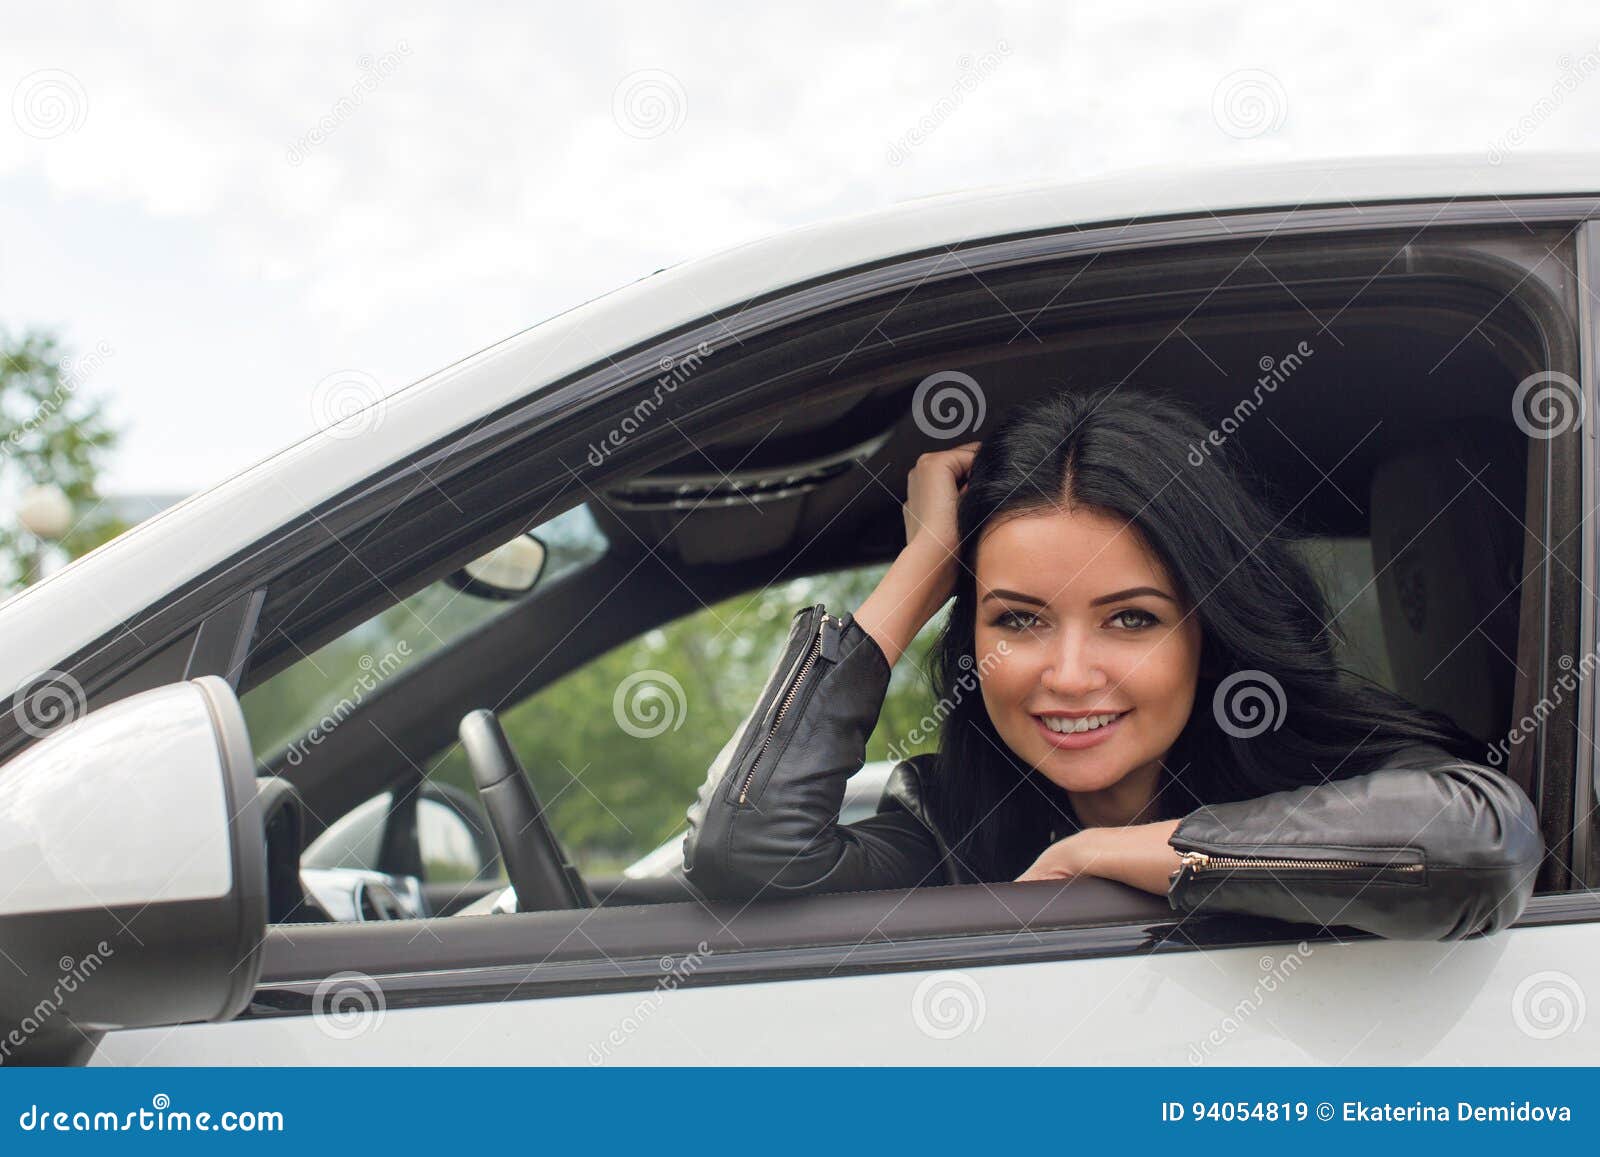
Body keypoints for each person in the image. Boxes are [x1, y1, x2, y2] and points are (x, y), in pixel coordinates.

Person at [682, 385, 1545, 940]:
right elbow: (743, 848)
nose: (1066, 673)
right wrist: (924, 565)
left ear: (1210, 627)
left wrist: (1102, 855)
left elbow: (1479, 846)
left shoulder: (1328, 771)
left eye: (1130, 618)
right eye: (1017, 618)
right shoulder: (949, 821)